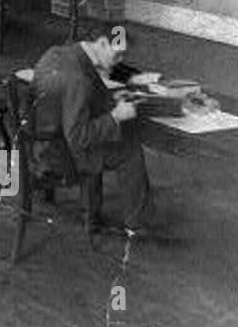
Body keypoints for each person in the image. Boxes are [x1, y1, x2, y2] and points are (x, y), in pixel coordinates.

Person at [30, 25, 154, 233]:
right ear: (102, 43)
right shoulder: (77, 78)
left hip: (39, 145)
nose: (121, 59)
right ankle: (138, 225)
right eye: (118, 54)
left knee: (107, 130)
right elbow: (78, 137)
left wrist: (109, 98)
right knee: (130, 147)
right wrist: (115, 116)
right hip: (59, 156)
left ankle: (93, 215)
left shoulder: (58, 54)